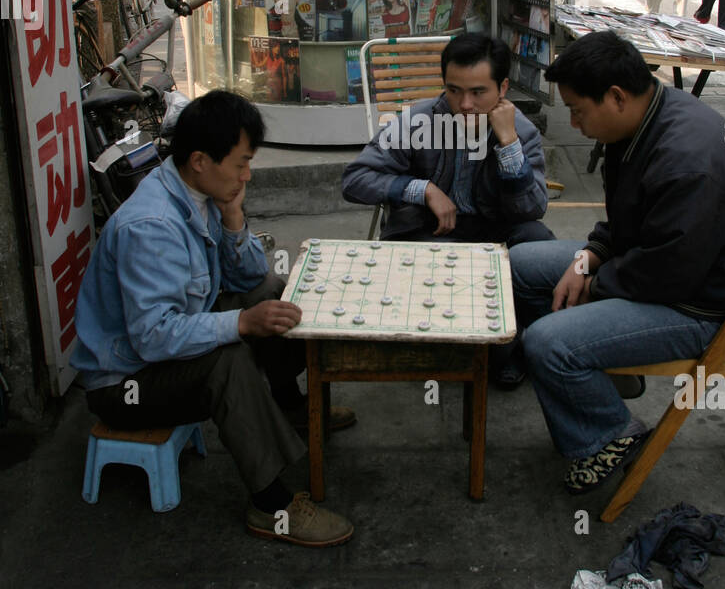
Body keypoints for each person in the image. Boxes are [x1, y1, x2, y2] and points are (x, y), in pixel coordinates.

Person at [71, 91, 355, 546]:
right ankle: (272, 505)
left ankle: (289, 407)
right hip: (125, 383)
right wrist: (241, 324)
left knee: (269, 293)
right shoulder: (152, 226)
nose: (247, 174)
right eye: (240, 164)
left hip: (166, 347)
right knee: (228, 363)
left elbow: (250, 276)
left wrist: (233, 218)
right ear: (200, 160)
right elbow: (153, 337)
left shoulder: (199, 191)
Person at [507, 32, 725, 494]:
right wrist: (592, 254)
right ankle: (590, 380)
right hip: (646, 266)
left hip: (691, 306)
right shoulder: (644, 121)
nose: (574, 122)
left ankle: (608, 433)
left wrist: (595, 283)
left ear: (617, 97)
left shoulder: (689, 158)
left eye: (578, 110)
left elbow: (670, 273)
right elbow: (626, 220)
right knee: (521, 263)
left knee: (549, 342)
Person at [342, 33, 553, 250]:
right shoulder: (417, 121)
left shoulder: (522, 131)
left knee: (539, 243)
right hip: (428, 229)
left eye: (477, 92)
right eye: (454, 90)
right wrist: (424, 190)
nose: (465, 104)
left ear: (503, 88)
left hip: (496, 230)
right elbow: (355, 179)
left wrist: (509, 145)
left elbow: (533, 210)